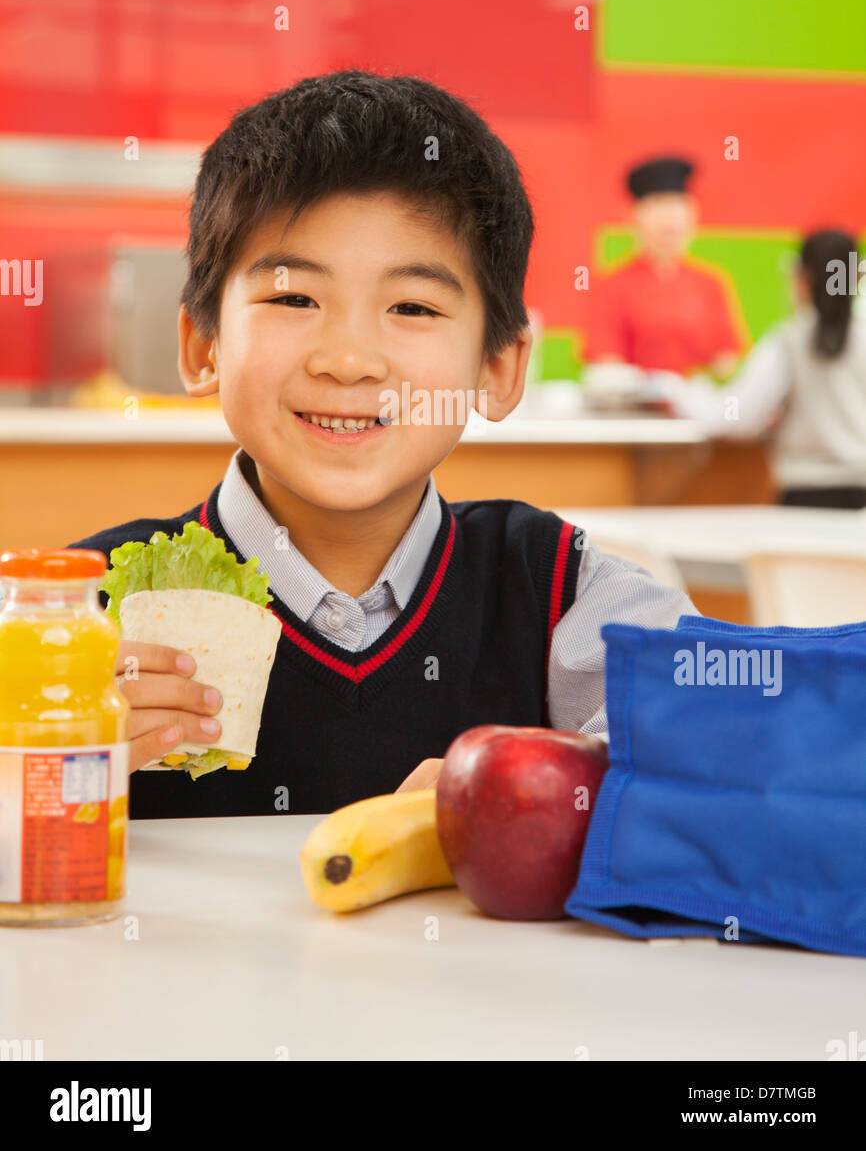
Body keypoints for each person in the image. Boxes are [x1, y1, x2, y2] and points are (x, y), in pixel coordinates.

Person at [69, 70, 698, 818]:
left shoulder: (563, 593)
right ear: (203, 343)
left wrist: (553, 780)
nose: (349, 359)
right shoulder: (77, 614)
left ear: (498, 368)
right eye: (294, 297)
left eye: (412, 306)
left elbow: (712, 758)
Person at [657, 228, 866, 509]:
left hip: (806, 499)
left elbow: (735, 418)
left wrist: (679, 392)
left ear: (802, 278)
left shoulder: (788, 341)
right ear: (856, 278)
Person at [584, 155, 746, 378]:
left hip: (699, 407)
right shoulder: (613, 287)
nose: (669, 218)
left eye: (677, 205)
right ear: (633, 215)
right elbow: (605, 361)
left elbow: (728, 358)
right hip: (639, 409)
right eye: (658, 205)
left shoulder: (710, 283)